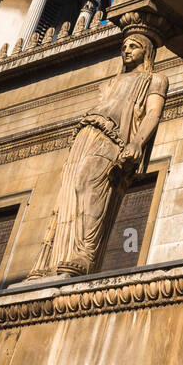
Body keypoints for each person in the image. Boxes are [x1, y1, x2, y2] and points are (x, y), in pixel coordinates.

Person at [27, 22, 168, 280]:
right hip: (88, 135)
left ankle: (86, 253)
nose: (127, 51)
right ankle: (57, 259)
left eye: (133, 46)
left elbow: (153, 113)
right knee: (70, 191)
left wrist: (137, 142)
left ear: (146, 51)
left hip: (114, 139)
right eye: (124, 46)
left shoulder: (155, 79)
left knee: (90, 184)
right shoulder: (113, 81)